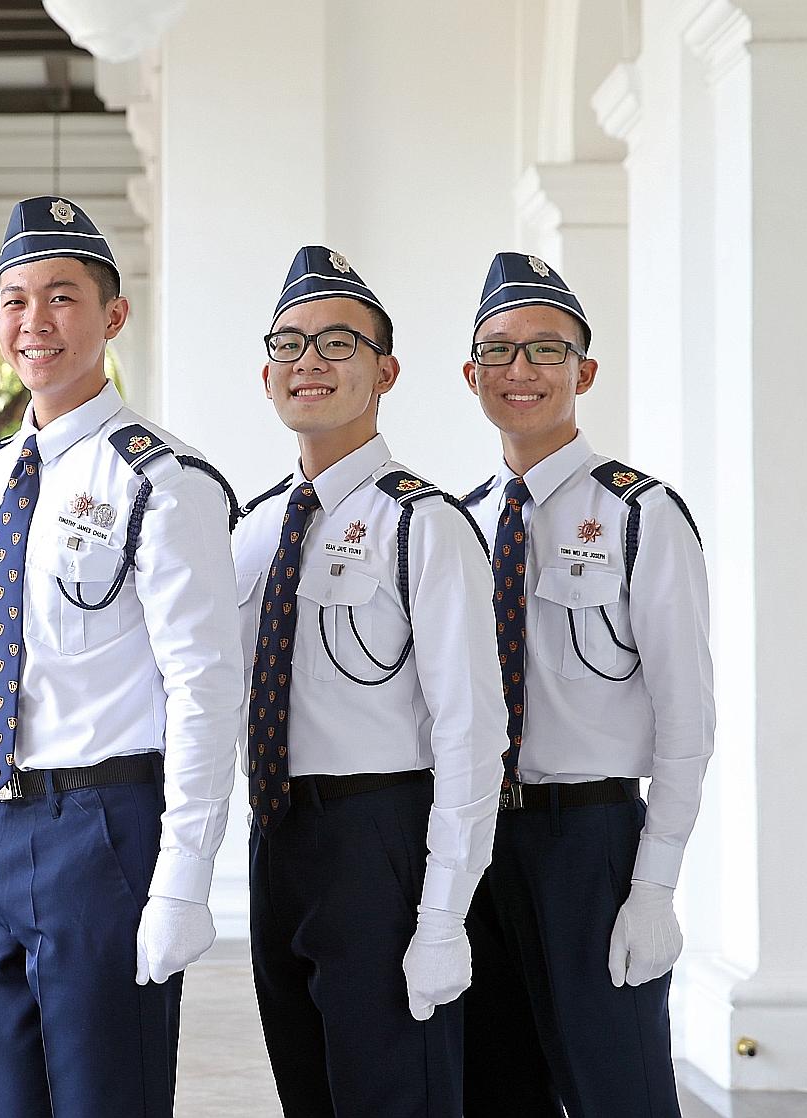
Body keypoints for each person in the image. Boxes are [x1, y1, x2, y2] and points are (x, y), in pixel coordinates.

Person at [0, 196, 244, 1118]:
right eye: (16, 301)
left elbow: (204, 687)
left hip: (105, 832)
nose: (37, 323)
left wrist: (184, 877)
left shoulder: (162, 479)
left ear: (112, 318)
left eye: (63, 297)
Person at [232, 246, 505, 1117]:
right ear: (267, 374)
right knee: (306, 1091)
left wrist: (442, 915)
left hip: (381, 841)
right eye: (289, 343)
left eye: (339, 342)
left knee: (396, 1096)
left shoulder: (422, 522)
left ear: (385, 371)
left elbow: (472, 727)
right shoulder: (251, 527)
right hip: (275, 838)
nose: (309, 361)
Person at [459, 252, 714, 1117]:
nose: (519, 372)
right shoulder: (451, 524)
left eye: (545, 352)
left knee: (620, 1093)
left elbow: (688, 716)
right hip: (473, 844)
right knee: (492, 1089)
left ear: (585, 371)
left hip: (591, 845)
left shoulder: (642, 514)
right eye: (498, 352)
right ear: (471, 374)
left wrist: (655, 886)